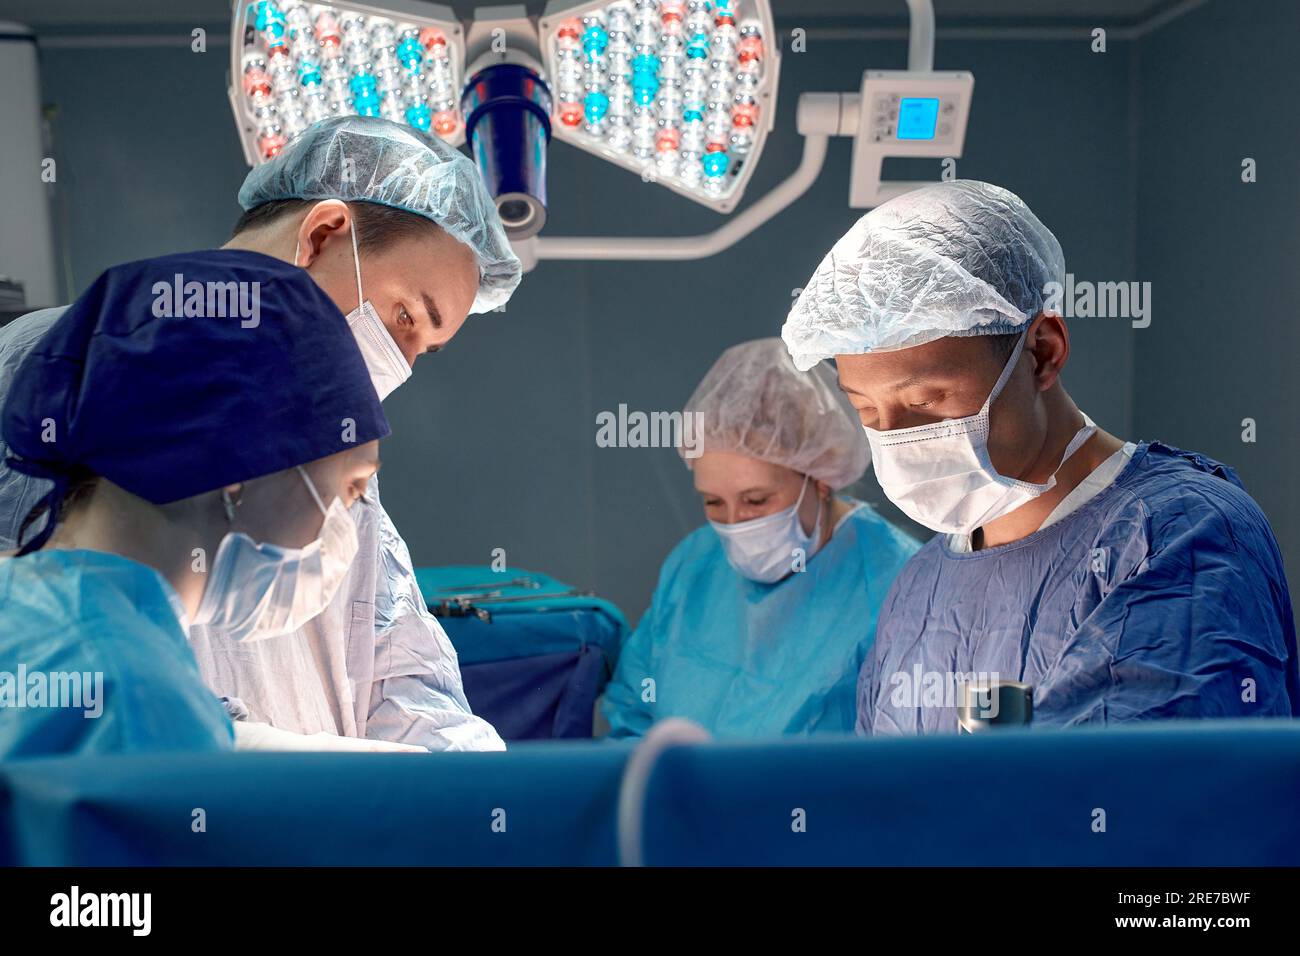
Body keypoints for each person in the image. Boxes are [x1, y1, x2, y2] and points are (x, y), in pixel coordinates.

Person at [0, 116, 520, 751]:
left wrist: (471, 783)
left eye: (425, 351)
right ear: (323, 235)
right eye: (405, 316)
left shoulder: (323, 437)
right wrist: (247, 762)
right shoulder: (83, 360)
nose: (400, 365)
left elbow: (402, 678)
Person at [782, 179, 1300, 733]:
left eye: (926, 401)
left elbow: (1141, 777)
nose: (894, 436)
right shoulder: (921, 586)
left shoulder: (1177, 535)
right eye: (864, 408)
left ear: (1042, 353)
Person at [0, 251, 415, 757]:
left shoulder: (30, 613)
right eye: (351, 488)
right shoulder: (134, 701)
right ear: (242, 464)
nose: (346, 529)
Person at [602, 338, 919, 738]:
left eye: (756, 500)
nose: (735, 523)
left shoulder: (897, 584)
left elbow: (901, 752)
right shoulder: (695, 564)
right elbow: (633, 710)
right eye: (714, 502)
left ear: (820, 478)